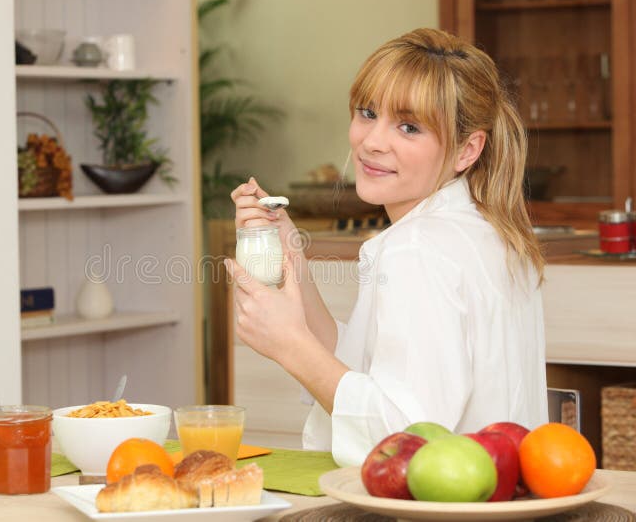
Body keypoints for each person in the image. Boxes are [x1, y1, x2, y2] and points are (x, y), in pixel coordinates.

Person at [225, 28, 548, 467]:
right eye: (368, 112)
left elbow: (404, 438)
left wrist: (289, 345)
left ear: (467, 150)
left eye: (409, 127)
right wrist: (291, 256)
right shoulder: (488, 231)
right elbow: (371, 366)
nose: (372, 141)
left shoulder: (418, 248)